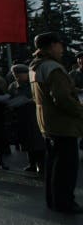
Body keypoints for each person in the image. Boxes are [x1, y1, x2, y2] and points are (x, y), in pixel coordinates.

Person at [29, 32, 83, 214]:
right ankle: (65, 202)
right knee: (66, 166)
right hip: (62, 124)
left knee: (54, 164)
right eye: (60, 45)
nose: (62, 48)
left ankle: (53, 200)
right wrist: (80, 111)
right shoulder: (53, 67)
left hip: (47, 122)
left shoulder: (35, 66)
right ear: (52, 45)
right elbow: (62, 98)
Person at [7, 64, 45, 173]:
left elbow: (39, 97)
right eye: (15, 75)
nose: (17, 77)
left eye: (20, 74)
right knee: (26, 142)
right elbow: (9, 98)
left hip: (34, 116)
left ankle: (41, 164)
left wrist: (30, 100)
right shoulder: (13, 86)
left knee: (38, 142)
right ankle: (31, 163)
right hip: (21, 117)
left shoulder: (33, 84)